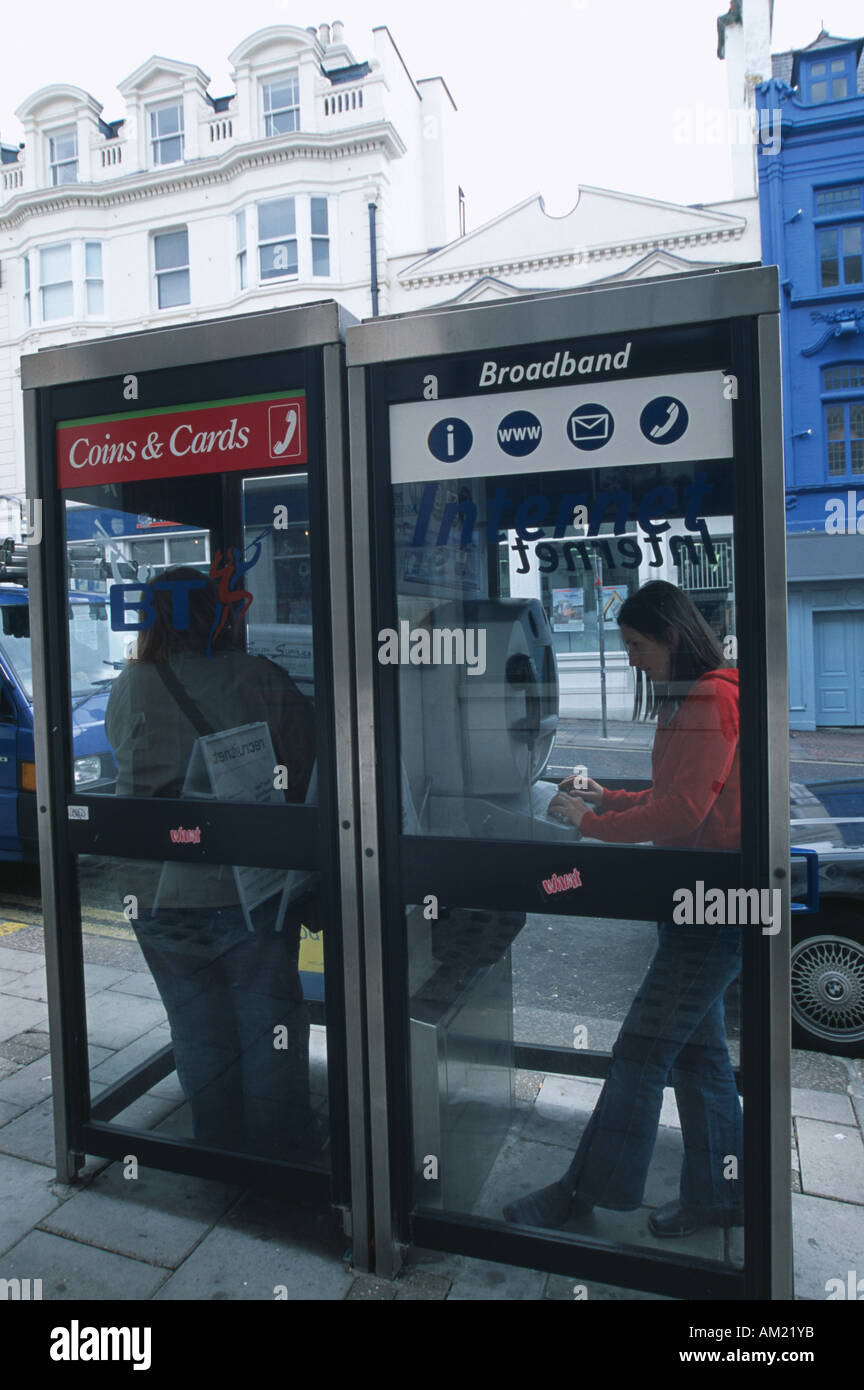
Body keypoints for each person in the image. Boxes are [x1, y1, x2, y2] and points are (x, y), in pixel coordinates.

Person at [503, 581, 742, 1237]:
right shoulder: (700, 695)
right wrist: (605, 798)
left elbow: (684, 813)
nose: (631, 659)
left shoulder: (712, 696)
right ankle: (721, 1197)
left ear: (671, 637)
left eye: (636, 645)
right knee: (701, 1058)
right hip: (698, 900)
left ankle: (581, 1194)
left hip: (711, 909)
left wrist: (589, 825)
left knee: (639, 1053)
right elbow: (680, 798)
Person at [105, 565, 319, 1161]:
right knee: (268, 1025)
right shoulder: (256, 677)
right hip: (241, 886)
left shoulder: (130, 683)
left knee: (195, 1024)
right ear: (217, 614)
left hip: (150, 888)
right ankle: (280, 1156)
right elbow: (308, 770)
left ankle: (217, 1148)